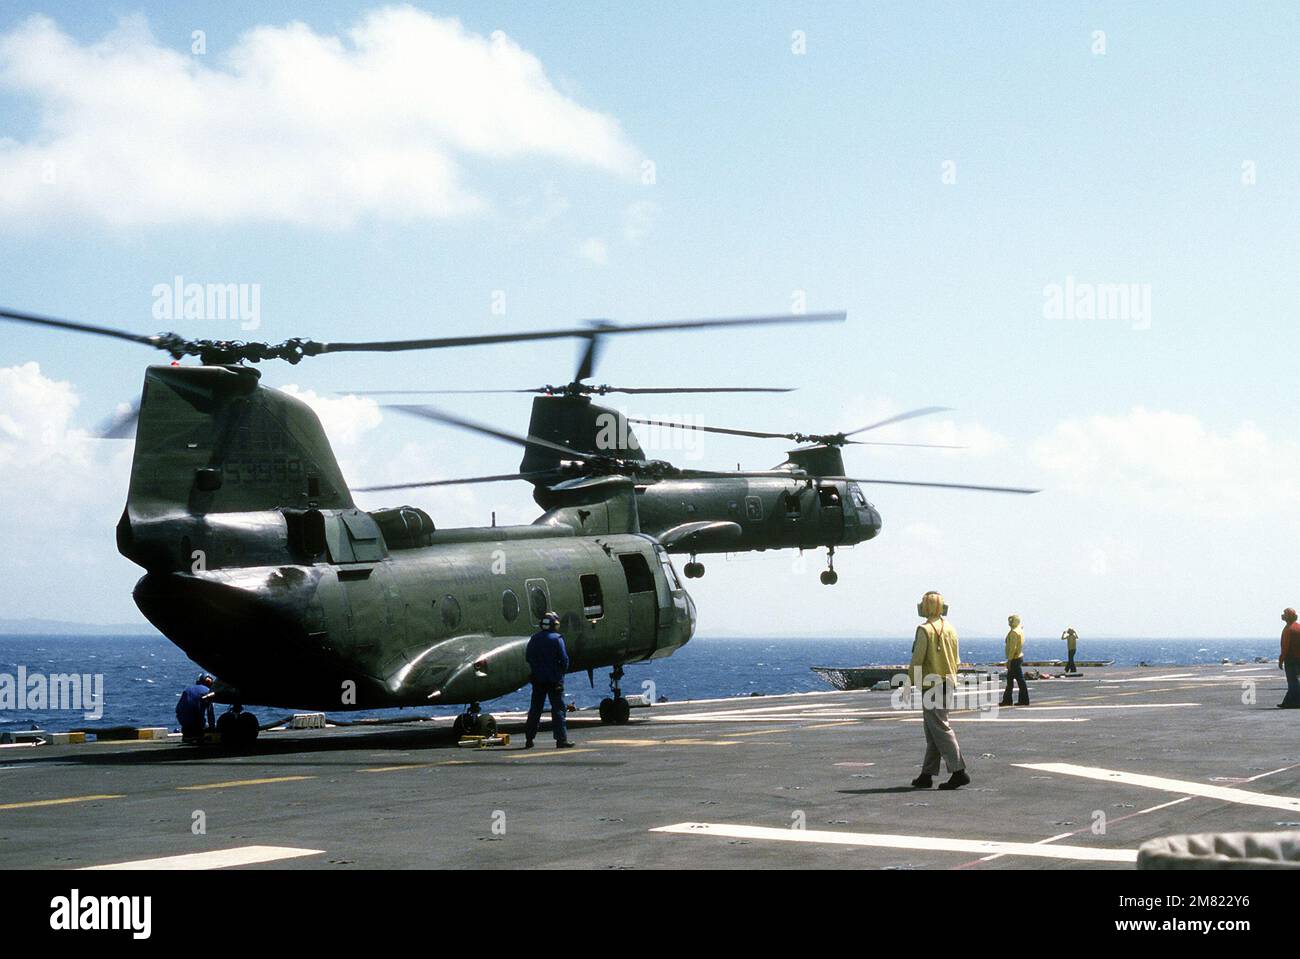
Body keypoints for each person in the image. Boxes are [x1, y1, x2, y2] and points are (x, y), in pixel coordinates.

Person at [908, 590, 969, 790]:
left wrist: (909, 683)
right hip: (948, 682)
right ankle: (927, 774)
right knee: (933, 730)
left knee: (940, 728)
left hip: (931, 684)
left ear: (927, 606)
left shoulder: (924, 629)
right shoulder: (950, 628)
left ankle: (958, 771)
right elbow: (957, 660)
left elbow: (917, 659)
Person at [524, 612, 574, 748]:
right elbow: (564, 660)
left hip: (538, 680)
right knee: (558, 709)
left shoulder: (534, 639)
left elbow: (528, 657)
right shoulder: (557, 639)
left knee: (535, 709)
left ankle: (529, 739)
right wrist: (560, 673)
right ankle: (561, 740)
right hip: (554, 680)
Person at [176, 674, 216, 744]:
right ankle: (197, 736)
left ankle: (188, 735)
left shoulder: (187, 689)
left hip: (181, 719)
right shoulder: (208, 692)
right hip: (195, 721)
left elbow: (180, 707)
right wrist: (212, 729)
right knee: (205, 727)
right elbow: (210, 713)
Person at [1001, 614, 1030, 706]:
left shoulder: (1014, 632)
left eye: (1011, 620)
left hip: (1014, 658)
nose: (1009, 622)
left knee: (1017, 680)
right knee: (1013, 680)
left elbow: (1013, 648)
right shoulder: (1019, 631)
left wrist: (1009, 660)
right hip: (1018, 657)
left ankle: (1018, 700)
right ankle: (1009, 700)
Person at [1279, 608, 1300, 709]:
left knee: (1292, 682)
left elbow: (1285, 647)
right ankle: (1287, 702)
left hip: (1291, 659)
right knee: (1295, 681)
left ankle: (1295, 702)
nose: (1282, 615)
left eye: (1285, 614)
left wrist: (1281, 659)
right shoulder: (1298, 627)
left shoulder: (1288, 629)